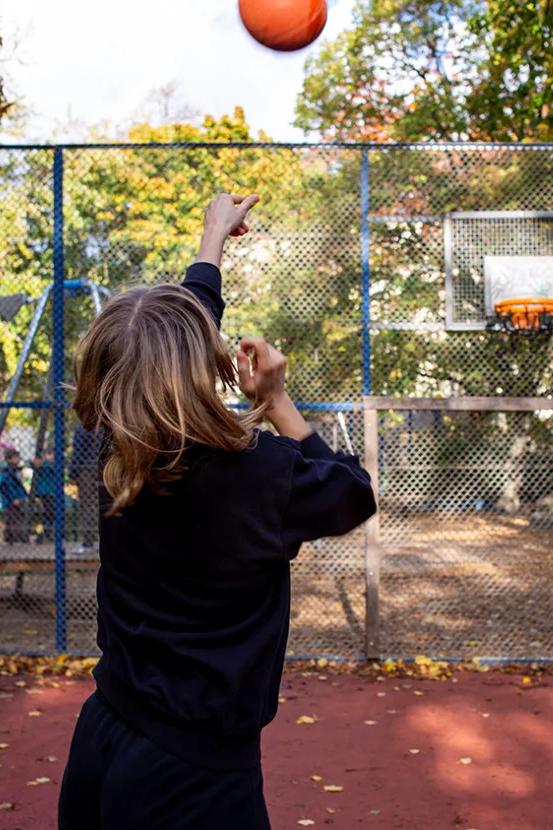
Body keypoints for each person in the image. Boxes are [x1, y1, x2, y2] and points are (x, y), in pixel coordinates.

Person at [57, 193, 377, 829]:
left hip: (102, 736)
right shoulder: (260, 473)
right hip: (192, 776)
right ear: (200, 366)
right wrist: (277, 402)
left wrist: (213, 241)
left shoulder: (110, 447)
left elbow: (162, 340)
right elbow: (355, 493)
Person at [69, 423, 103, 552]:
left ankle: (88, 543)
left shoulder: (83, 424)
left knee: (87, 505)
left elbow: (78, 449)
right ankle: (102, 541)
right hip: (103, 468)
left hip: (86, 470)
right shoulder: (105, 423)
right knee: (103, 504)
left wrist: (73, 472)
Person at [0, 447, 31, 543]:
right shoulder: (8, 471)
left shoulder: (17, 470)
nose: (18, 459)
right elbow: (9, 486)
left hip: (16, 497)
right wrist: (14, 498)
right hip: (10, 499)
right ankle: (11, 537)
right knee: (12, 518)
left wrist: (22, 496)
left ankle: (13, 536)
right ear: (9, 459)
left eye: (18, 457)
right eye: (15, 457)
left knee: (16, 517)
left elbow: (19, 485)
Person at [31, 446, 62, 542]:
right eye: (49, 454)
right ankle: (43, 535)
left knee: (51, 514)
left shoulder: (55, 465)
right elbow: (35, 465)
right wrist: (36, 462)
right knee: (48, 513)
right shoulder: (43, 465)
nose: (52, 456)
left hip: (52, 493)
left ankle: (45, 534)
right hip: (45, 493)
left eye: (54, 454)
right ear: (45, 456)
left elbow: (53, 468)